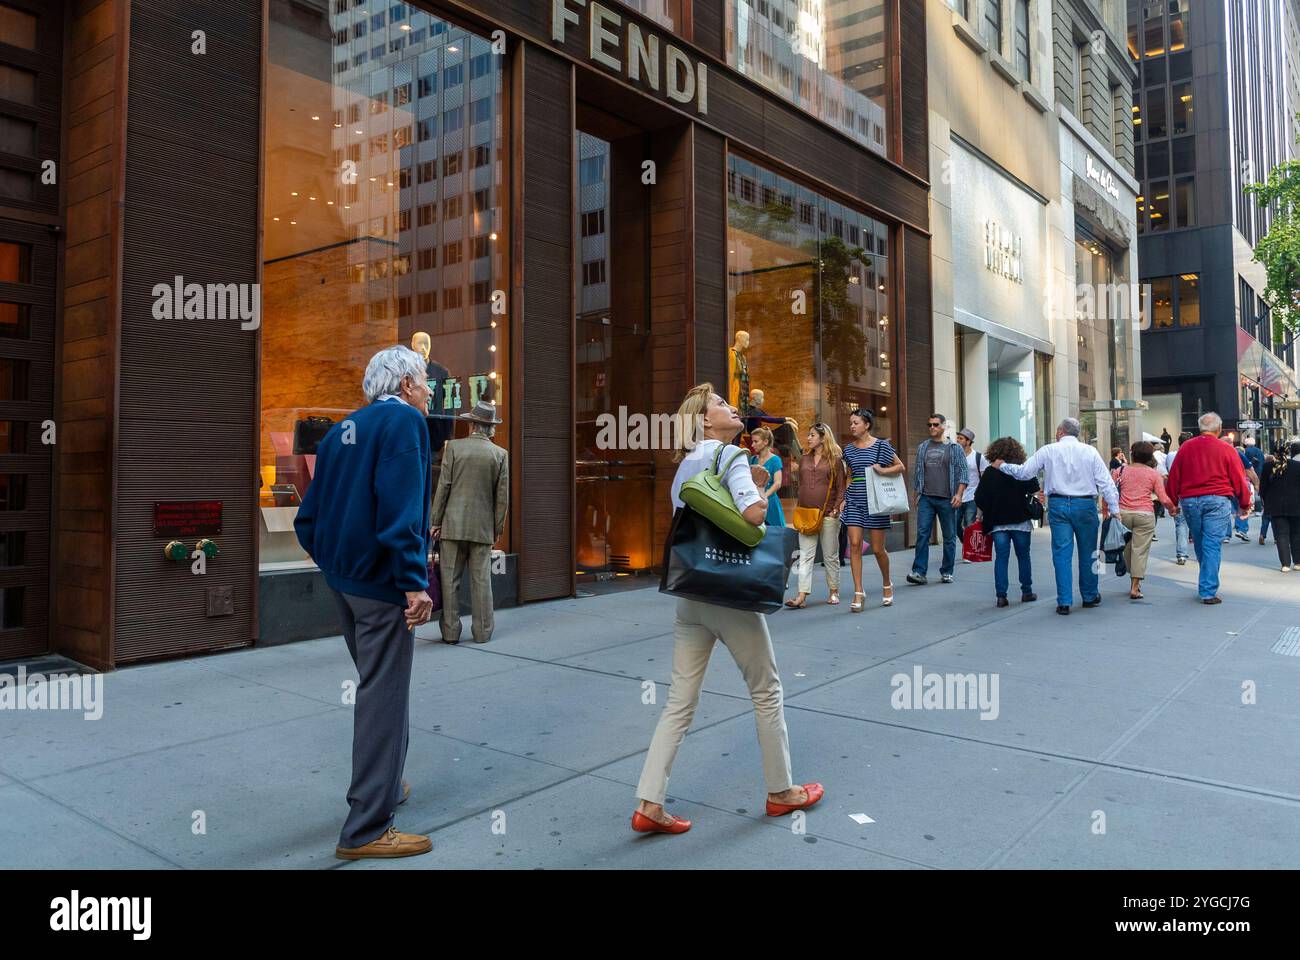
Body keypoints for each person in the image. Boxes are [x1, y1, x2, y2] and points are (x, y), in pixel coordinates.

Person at [633, 384, 823, 835]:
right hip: (731, 595)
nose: (731, 406)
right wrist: (756, 489)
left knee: (679, 701)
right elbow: (754, 518)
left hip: (692, 590)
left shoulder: (684, 469)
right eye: (720, 404)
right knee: (766, 689)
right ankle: (781, 791)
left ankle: (649, 802)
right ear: (703, 420)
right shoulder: (731, 456)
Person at [294, 345, 434, 861]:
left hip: (346, 581)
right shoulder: (403, 426)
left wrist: (335, 563)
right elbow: (403, 511)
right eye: (423, 382)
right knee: (385, 697)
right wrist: (414, 583)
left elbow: (307, 517)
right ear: (404, 386)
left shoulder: (341, 430)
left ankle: (385, 787)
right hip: (381, 587)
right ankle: (367, 828)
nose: (428, 390)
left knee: (378, 690)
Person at [992, 417, 1119, 615]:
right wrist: (1115, 508)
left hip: (1058, 505)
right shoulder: (1090, 451)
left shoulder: (1048, 450)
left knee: (1061, 554)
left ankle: (1064, 602)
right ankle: (1090, 595)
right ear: (1076, 433)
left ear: (1060, 431)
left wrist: (1003, 466)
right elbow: (1106, 482)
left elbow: (1024, 472)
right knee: (1091, 553)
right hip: (1085, 505)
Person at [430, 399, 509, 645]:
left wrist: (435, 521)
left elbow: (443, 487)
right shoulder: (500, 454)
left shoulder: (453, 447)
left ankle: (451, 633)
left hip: (452, 525)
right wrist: (497, 529)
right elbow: (502, 499)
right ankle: (483, 632)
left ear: (472, 424)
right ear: (490, 427)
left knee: (449, 580)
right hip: (483, 528)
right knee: (482, 582)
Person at [1165, 412, 1253, 604]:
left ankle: (1206, 581)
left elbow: (1174, 477)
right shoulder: (1226, 449)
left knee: (1199, 541)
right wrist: (1244, 504)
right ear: (1219, 429)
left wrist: (1172, 502)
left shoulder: (1186, 447)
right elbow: (1238, 478)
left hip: (1189, 501)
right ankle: (1207, 589)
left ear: (1200, 429)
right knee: (1212, 543)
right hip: (1217, 499)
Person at [839, 408, 905, 611]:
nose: (852, 426)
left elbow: (900, 467)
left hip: (876, 501)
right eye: (850, 423)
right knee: (855, 544)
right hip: (855, 499)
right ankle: (859, 592)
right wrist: (844, 498)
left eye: (856, 422)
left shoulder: (882, 446)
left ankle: (887, 584)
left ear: (867, 424)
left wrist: (883, 470)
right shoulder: (848, 450)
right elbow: (849, 474)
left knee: (877, 549)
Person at [974, 436, 1039, 608]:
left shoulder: (989, 472)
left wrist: (980, 515)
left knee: (1001, 558)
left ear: (994, 451)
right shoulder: (1021, 470)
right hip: (1020, 521)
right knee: (1023, 556)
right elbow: (1034, 488)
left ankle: (1001, 596)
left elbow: (980, 497)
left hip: (997, 522)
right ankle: (1027, 592)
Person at [786, 423, 846, 609]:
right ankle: (801, 596)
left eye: (812, 435)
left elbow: (841, 487)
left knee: (830, 556)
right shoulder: (804, 459)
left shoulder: (835, 460)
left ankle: (834, 591)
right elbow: (800, 484)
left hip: (828, 513)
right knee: (804, 555)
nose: (808, 438)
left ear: (822, 437)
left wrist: (836, 508)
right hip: (805, 513)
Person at [1107, 441, 1176, 600]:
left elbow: (1109, 491)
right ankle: (1135, 586)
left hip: (1123, 514)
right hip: (1144, 515)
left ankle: (1132, 576)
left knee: (1127, 550)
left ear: (1132, 454)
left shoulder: (1120, 470)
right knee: (1140, 551)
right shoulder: (1153, 474)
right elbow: (1163, 497)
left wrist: (1107, 511)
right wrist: (1172, 509)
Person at [906, 413, 967, 586]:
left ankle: (947, 571)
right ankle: (919, 572)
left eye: (935, 424)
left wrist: (959, 494)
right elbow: (918, 472)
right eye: (929, 424)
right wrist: (916, 494)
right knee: (922, 534)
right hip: (926, 498)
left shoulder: (954, 448)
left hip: (947, 499)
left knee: (949, 536)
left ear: (943, 426)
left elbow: (963, 472)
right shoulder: (923, 447)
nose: (931, 427)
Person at [1259, 439, 1300, 571]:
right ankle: (1298, 562)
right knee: (1296, 534)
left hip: (1275, 504)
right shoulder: (1297, 466)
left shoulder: (1267, 466)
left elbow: (1263, 488)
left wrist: (1266, 501)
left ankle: (1285, 564)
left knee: (1281, 535)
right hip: (1296, 504)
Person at [748, 426, 786, 528]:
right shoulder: (752, 460)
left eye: (756, 441)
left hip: (770, 502)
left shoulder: (775, 460)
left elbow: (778, 483)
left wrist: (764, 496)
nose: (752, 445)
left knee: (774, 532)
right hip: (754, 501)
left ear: (765, 442)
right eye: (752, 441)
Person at [1165, 431, 1194, 563]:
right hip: (1193, 492)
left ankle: (1181, 554)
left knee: (1180, 524)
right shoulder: (1195, 454)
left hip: (1178, 492)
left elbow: (1169, 473)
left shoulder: (1171, 455)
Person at [955, 427, 983, 541]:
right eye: (957, 438)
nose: (958, 440)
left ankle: (968, 550)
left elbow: (984, 479)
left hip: (972, 497)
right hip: (957, 496)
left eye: (961, 438)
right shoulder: (955, 456)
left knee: (969, 524)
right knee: (955, 524)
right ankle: (965, 543)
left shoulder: (979, 458)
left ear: (968, 442)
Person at [1229, 440, 1259, 542]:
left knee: (1227, 510)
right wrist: (1256, 484)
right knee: (1243, 506)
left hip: (1224, 486)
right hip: (1240, 484)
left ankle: (1226, 535)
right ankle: (1241, 529)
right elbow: (1250, 470)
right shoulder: (1239, 455)